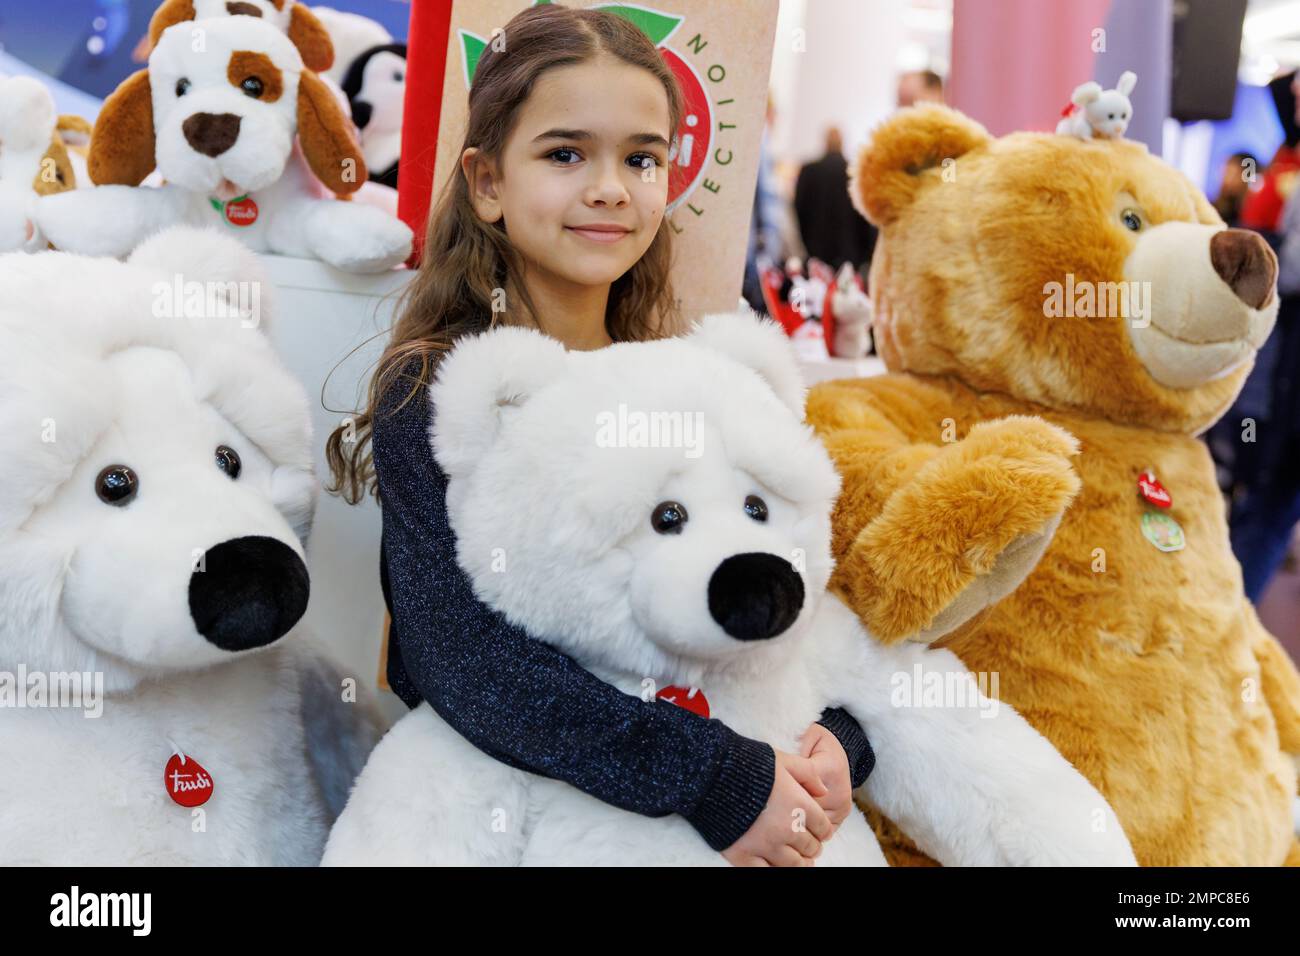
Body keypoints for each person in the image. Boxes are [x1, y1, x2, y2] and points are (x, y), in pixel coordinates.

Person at [325, 3, 875, 867]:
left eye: (642, 158)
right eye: (566, 153)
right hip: (527, 816)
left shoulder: (684, 382)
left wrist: (837, 738)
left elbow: (796, 606)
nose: (612, 186)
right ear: (488, 181)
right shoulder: (437, 389)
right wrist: (713, 778)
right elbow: (454, 660)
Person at [793, 126, 877, 279]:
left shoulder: (809, 171)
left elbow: (799, 211)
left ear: (825, 142)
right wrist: (865, 255)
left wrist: (806, 245)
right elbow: (865, 215)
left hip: (815, 253)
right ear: (842, 143)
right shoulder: (855, 172)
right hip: (850, 256)